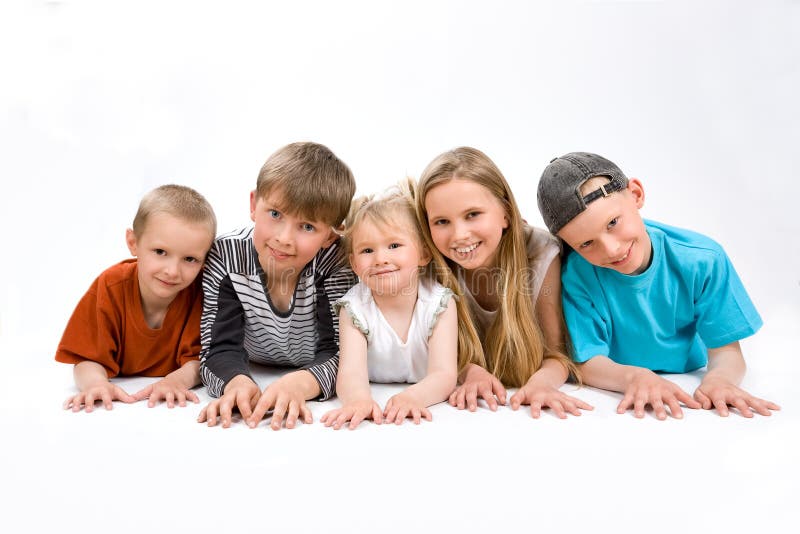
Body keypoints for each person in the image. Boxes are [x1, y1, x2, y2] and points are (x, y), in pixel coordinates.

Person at [537, 151, 780, 419]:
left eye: (613, 223)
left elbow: (726, 351)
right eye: (585, 244)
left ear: (636, 194)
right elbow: (585, 361)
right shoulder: (576, 275)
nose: (612, 249)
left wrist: (720, 380)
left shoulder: (702, 260)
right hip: (618, 375)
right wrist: (633, 377)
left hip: (691, 366)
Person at [416, 147, 592, 419]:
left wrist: (541, 384)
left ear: (506, 213)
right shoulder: (432, 262)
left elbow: (557, 354)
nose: (459, 234)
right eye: (441, 221)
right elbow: (428, 350)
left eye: (473, 214)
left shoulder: (541, 253)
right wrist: (468, 371)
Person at [197, 141, 357, 430]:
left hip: (312, 363)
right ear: (253, 205)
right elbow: (216, 347)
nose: (284, 238)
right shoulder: (226, 255)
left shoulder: (337, 262)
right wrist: (236, 382)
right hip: (250, 362)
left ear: (330, 236)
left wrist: (301, 383)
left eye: (307, 227)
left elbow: (345, 353)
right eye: (275, 214)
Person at [56, 184, 217, 412]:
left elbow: (201, 361)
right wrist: (96, 383)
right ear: (133, 243)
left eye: (190, 259)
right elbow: (85, 359)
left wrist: (175, 381)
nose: (172, 271)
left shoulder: (202, 292)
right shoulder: (110, 287)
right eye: (160, 252)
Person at [320, 182, 459, 429]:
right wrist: (358, 399)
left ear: (424, 254)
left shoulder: (439, 303)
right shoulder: (354, 307)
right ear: (353, 263)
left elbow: (444, 374)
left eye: (394, 246)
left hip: (421, 393)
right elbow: (351, 373)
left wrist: (414, 397)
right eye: (367, 250)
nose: (381, 259)